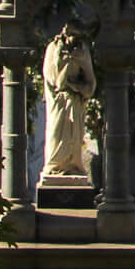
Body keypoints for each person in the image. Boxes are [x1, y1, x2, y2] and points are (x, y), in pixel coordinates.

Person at [41, 21, 96, 178]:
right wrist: (66, 73)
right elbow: (52, 77)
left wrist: (77, 86)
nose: (75, 40)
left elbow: (90, 82)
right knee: (56, 135)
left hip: (75, 101)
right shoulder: (54, 48)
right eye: (73, 35)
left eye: (78, 37)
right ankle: (55, 167)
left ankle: (73, 166)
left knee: (74, 138)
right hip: (59, 101)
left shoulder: (82, 52)